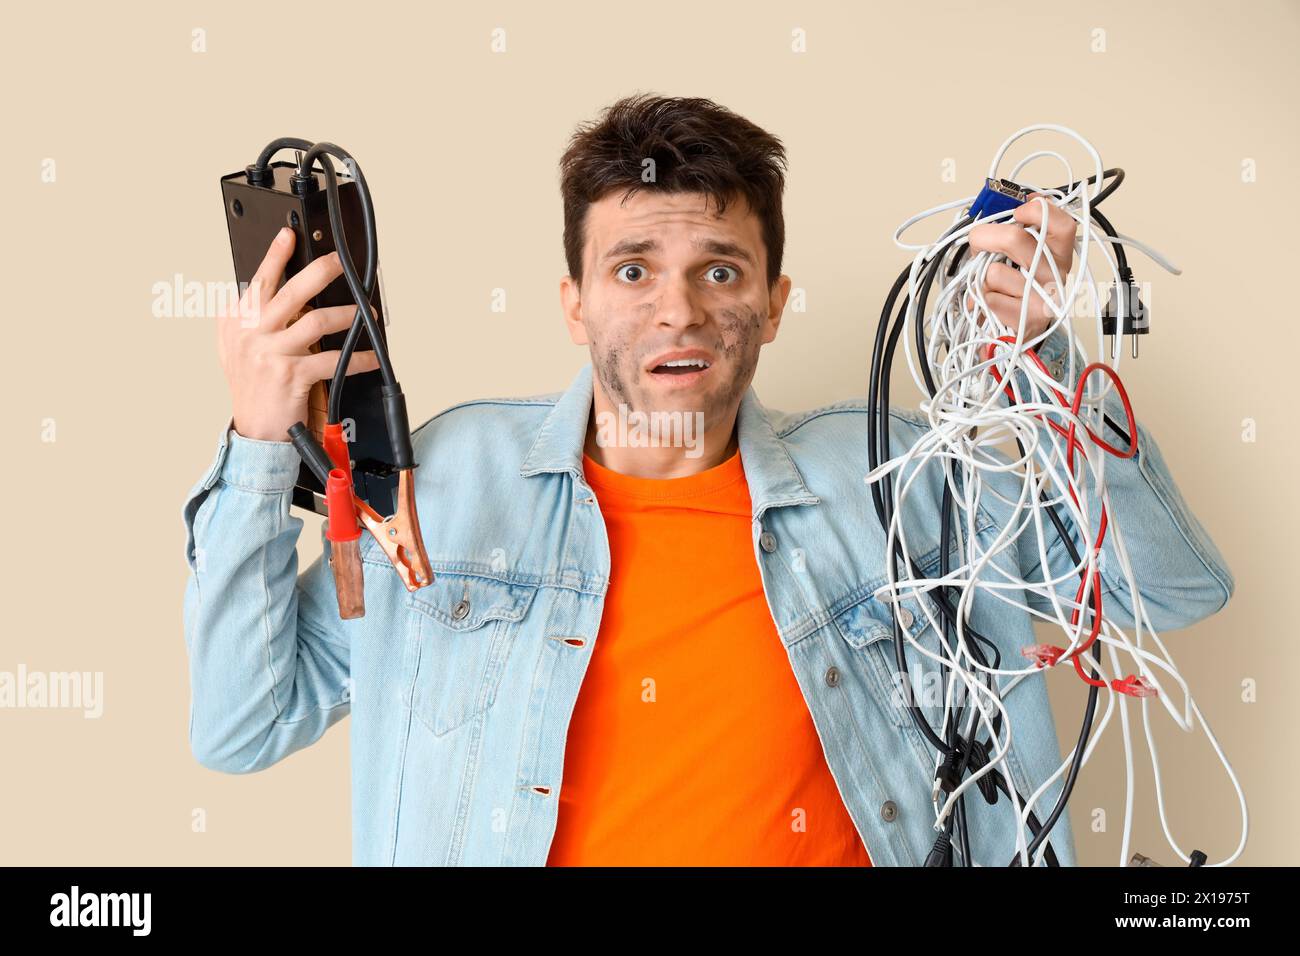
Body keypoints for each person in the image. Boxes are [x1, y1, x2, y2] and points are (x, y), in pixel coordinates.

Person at [181, 94, 1235, 866]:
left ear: (773, 304)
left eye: (718, 270)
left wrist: (1040, 364)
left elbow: (1164, 589)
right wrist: (258, 441)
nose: (676, 310)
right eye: (632, 269)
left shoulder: (896, 478)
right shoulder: (443, 490)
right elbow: (242, 721)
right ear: (574, 303)